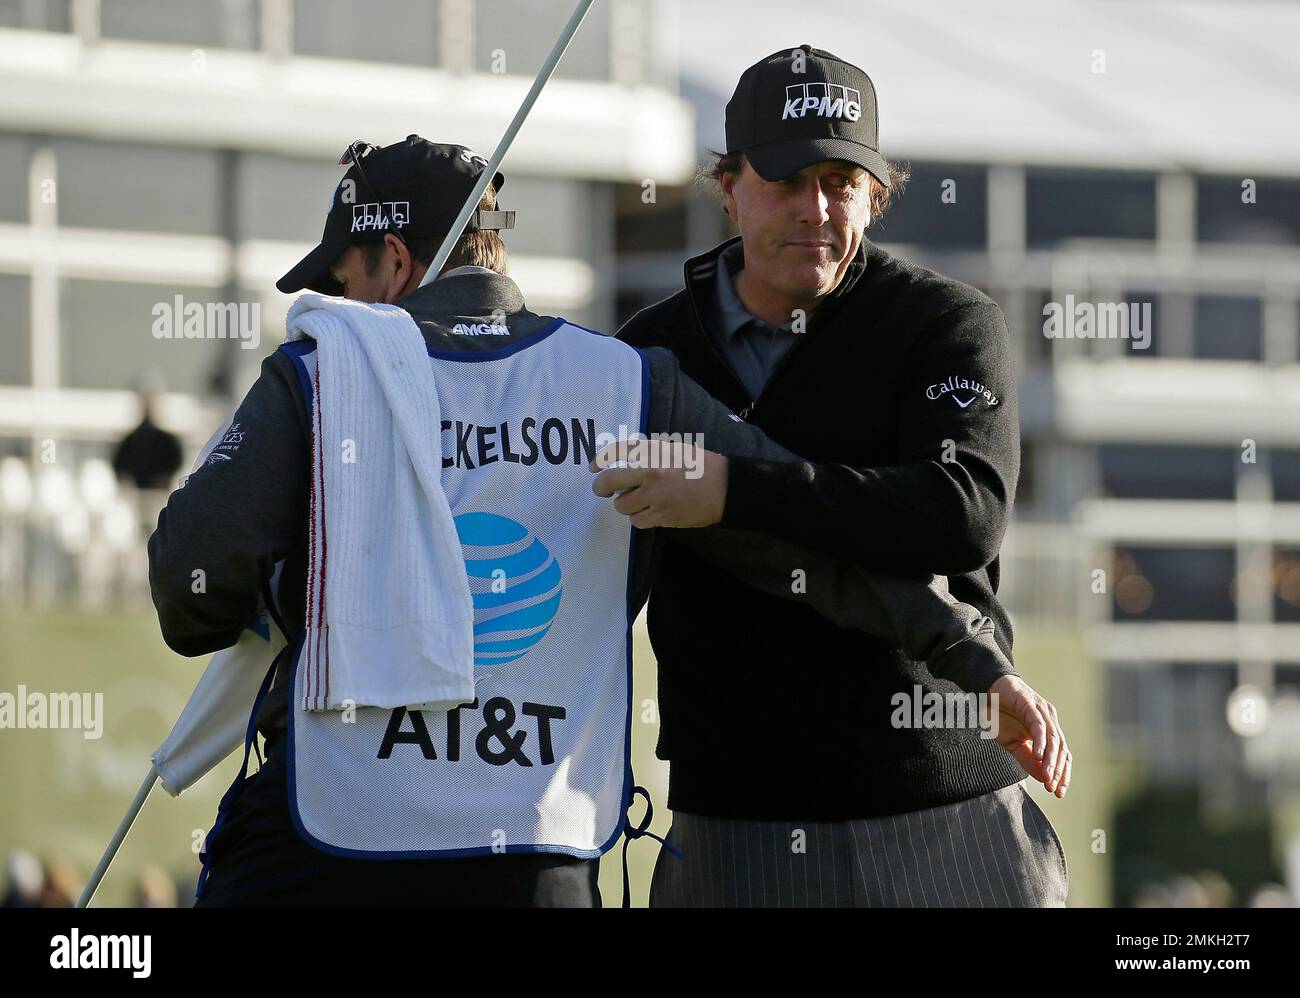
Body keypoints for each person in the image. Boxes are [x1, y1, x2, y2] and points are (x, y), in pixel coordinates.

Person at [149, 134, 1060, 908]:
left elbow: (189, 588)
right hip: (540, 862)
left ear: (393, 259)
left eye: (349, 278)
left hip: (331, 848)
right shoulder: (628, 381)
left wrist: (289, 585)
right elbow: (808, 546)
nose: (348, 306)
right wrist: (972, 660)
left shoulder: (321, 370)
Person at [613, 45, 1071, 906]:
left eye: (842, 182)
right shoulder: (647, 352)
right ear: (729, 185)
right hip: (735, 825)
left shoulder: (946, 324)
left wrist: (733, 492)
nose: (816, 210)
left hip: (943, 810)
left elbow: (960, 512)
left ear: (876, 193)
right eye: (787, 181)